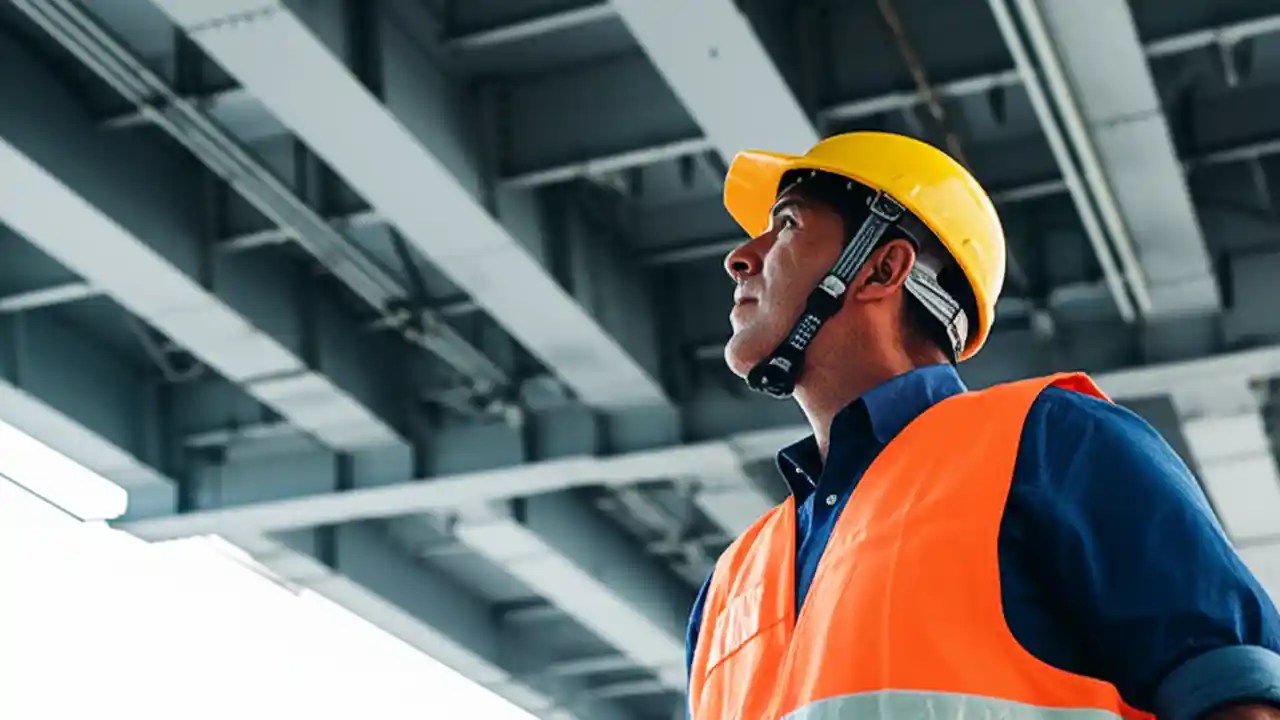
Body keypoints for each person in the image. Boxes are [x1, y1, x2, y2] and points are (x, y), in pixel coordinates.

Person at [684, 131, 1280, 720]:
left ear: (882, 269)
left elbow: (1236, 699)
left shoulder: (1049, 444)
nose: (741, 256)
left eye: (787, 224)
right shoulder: (730, 584)